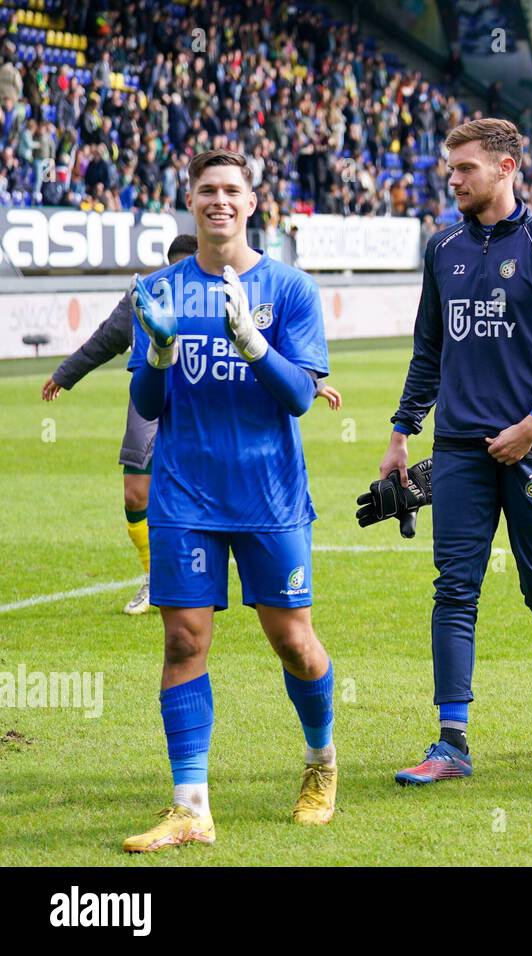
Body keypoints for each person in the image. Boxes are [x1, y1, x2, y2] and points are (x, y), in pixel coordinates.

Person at [122, 148, 336, 851]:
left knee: (294, 644)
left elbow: (300, 396)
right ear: (191, 200)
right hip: (184, 492)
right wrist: (156, 354)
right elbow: (148, 404)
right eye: (207, 189)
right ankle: (191, 808)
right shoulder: (161, 290)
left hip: (269, 494)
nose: (219, 200)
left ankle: (320, 762)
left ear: (252, 202)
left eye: (231, 190)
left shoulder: (291, 289)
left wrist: (252, 341)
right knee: (184, 638)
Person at [378, 118, 532, 784]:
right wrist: (400, 433)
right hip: (458, 449)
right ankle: (451, 742)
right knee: (454, 590)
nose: (453, 180)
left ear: (506, 169)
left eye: (465, 168)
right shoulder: (441, 246)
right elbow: (429, 349)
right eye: (450, 169)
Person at [42, 235, 196, 614]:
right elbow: (106, 339)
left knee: (198, 493)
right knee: (135, 495)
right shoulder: (144, 295)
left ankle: (200, 572)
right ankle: (154, 577)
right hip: (147, 399)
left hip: (199, 405)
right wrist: (66, 374)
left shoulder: (215, 294)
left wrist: (313, 383)